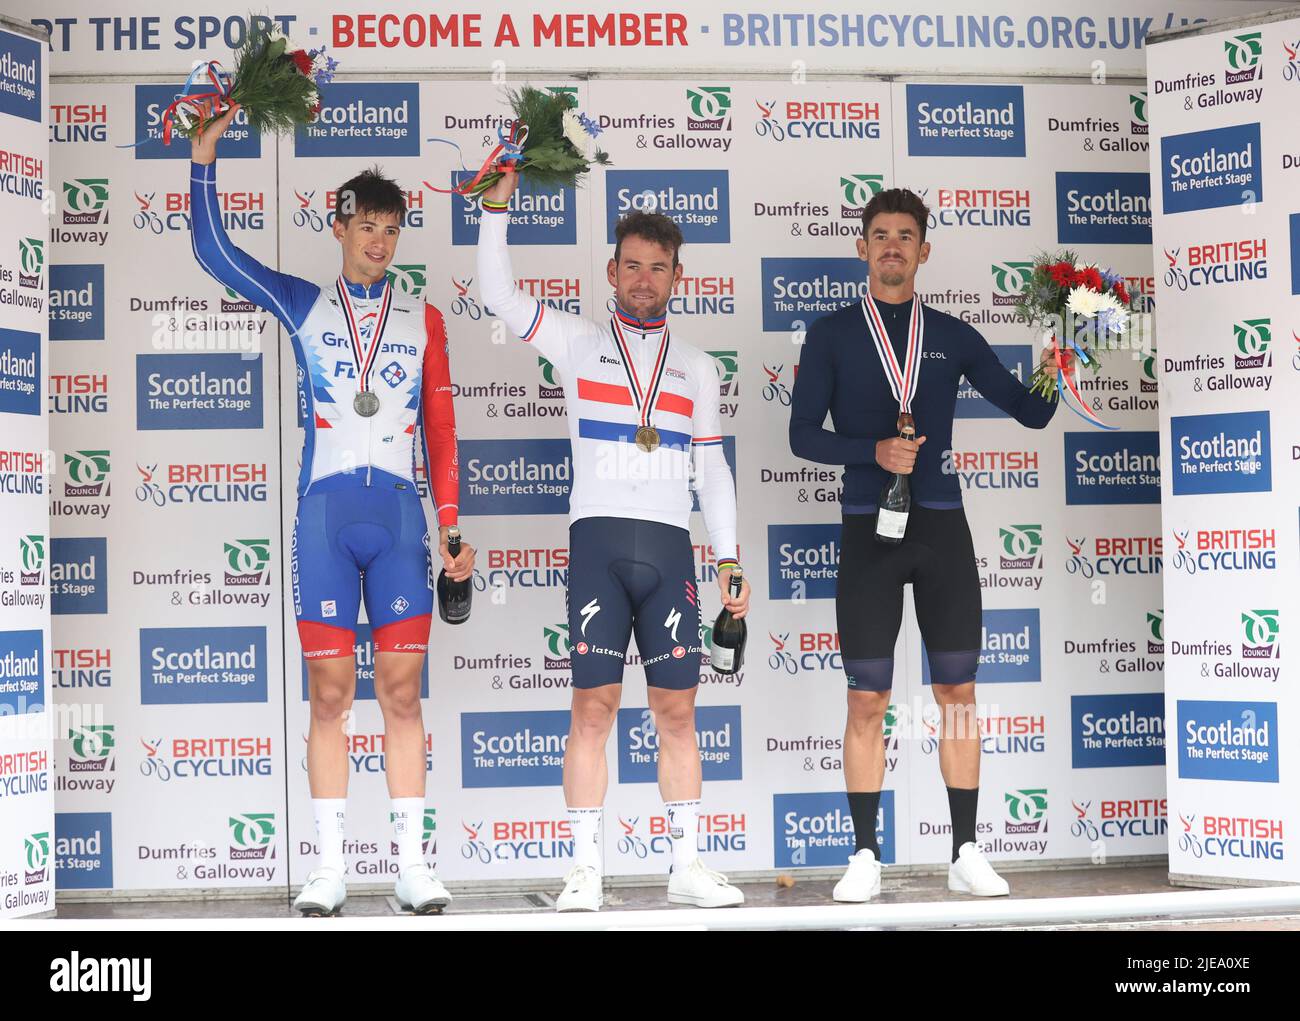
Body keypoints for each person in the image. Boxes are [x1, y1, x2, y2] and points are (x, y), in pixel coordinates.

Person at [189, 104, 473, 916]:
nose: (380, 242)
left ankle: (412, 865)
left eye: (392, 228)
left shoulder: (424, 320)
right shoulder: (304, 304)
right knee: (328, 692)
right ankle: (328, 867)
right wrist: (206, 157)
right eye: (367, 227)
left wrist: (451, 523)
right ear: (339, 227)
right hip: (324, 516)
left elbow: (444, 433)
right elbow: (215, 252)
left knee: (403, 690)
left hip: (399, 519)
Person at [476, 167, 750, 911]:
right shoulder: (575, 341)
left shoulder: (697, 366)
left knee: (679, 711)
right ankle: (585, 873)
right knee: (591, 709)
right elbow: (496, 295)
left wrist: (727, 555)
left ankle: (686, 866)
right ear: (612, 270)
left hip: (668, 549)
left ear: (677, 276)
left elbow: (712, 468)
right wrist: (497, 206)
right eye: (632, 264)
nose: (643, 279)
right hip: (598, 545)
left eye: (658, 267)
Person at [789, 188, 1070, 902]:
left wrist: (1058, 352)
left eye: (905, 235)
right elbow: (800, 436)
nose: (891, 245)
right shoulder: (830, 334)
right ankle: (863, 855)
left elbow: (1031, 412)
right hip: (869, 532)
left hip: (942, 529)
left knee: (959, 691)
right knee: (867, 699)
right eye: (879, 234)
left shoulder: (951, 333)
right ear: (861, 247)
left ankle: (965, 849)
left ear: (924, 250)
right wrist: (872, 450)